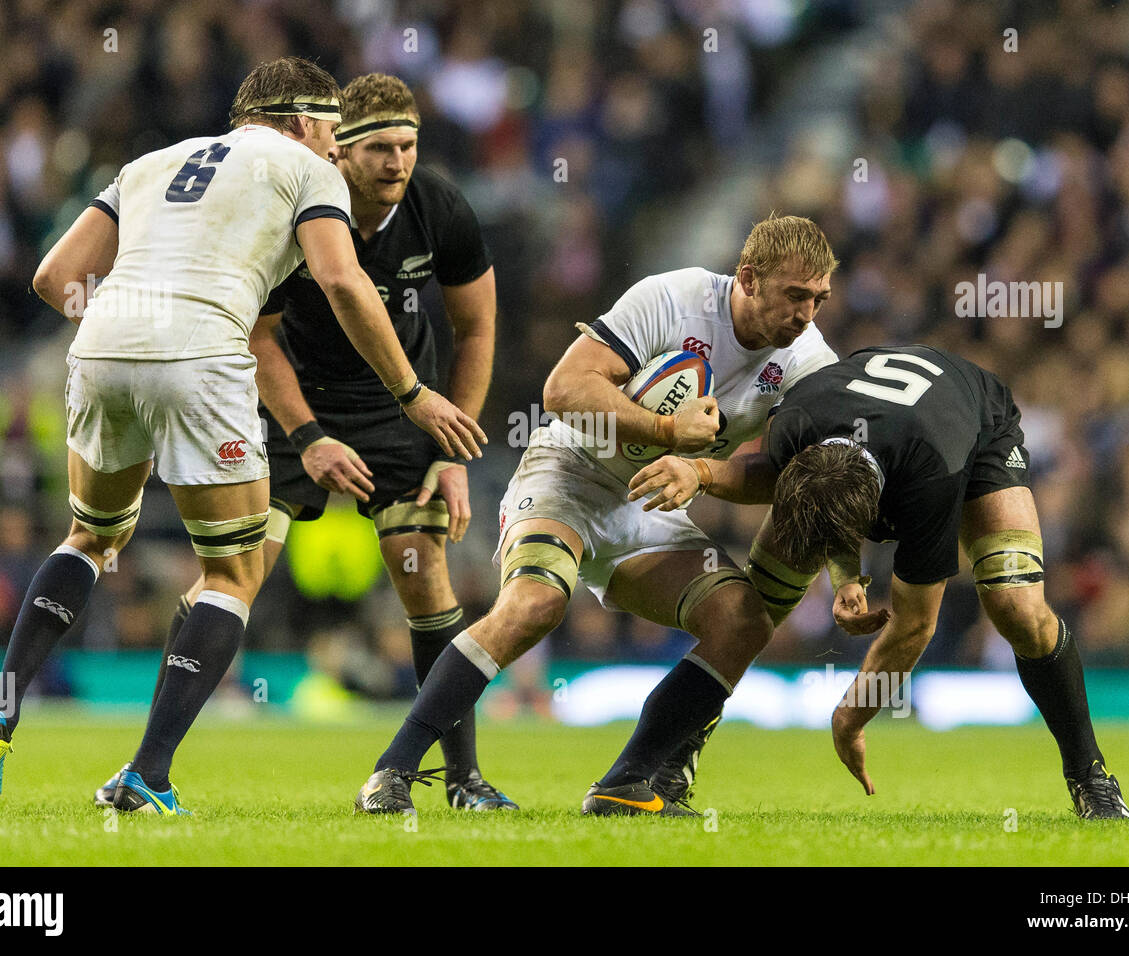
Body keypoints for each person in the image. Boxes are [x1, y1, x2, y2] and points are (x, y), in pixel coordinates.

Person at [0, 57, 485, 814]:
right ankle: (148, 775)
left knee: (90, 537)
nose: (337, 150)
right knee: (231, 575)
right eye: (333, 133)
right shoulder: (309, 171)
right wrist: (412, 392)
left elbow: (53, 276)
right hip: (202, 353)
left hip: (103, 343)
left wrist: (130, 323)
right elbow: (341, 281)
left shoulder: (149, 163)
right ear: (303, 123)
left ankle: (1, 706)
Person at [93, 72, 512, 811]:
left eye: (408, 145)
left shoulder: (438, 207)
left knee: (425, 579)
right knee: (233, 576)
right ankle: (145, 767)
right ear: (338, 152)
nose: (397, 162)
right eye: (378, 147)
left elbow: (475, 327)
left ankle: (464, 779)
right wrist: (308, 435)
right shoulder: (297, 203)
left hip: (398, 418)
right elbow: (261, 339)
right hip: (296, 413)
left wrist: (453, 452)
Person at [354, 214, 840, 816]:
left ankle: (628, 785)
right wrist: (666, 430)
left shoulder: (809, 361)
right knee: (535, 603)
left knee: (742, 622)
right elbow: (564, 389)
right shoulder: (674, 298)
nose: (806, 315)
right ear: (748, 278)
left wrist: (705, 473)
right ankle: (391, 771)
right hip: (569, 473)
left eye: (818, 300)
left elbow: (798, 474)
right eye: (795, 296)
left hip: (650, 503)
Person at [635, 344, 1129, 819]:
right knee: (747, 615)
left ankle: (1090, 775)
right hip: (870, 417)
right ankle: (672, 762)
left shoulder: (929, 480)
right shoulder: (792, 423)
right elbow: (790, 483)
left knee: (1017, 610)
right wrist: (701, 473)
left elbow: (915, 625)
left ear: (879, 519)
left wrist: (851, 716)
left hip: (975, 426)